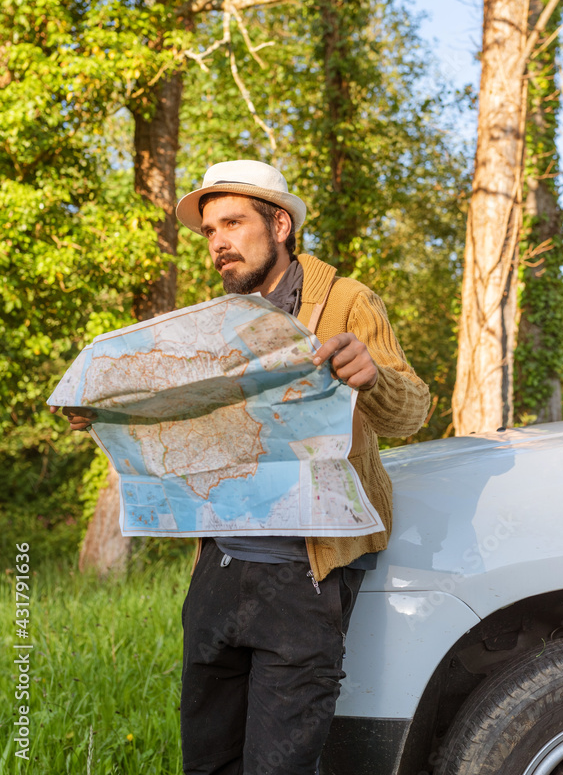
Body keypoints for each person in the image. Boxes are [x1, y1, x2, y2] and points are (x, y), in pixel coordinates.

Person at [54, 159, 430, 775]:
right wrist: (105, 413)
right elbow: (182, 426)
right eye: (208, 231)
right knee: (206, 760)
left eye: (233, 222)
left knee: (277, 767)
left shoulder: (348, 302)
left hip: (306, 577)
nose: (219, 242)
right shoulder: (209, 327)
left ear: (279, 223)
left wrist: (375, 379)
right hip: (216, 574)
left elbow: (411, 411)